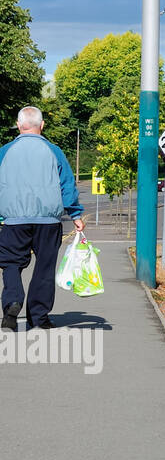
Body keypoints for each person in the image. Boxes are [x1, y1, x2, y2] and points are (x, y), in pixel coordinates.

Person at [0, 106, 84, 331]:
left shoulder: (4, 151)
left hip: (14, 220)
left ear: (18, 125)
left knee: (10, 263)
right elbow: (67, 184)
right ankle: (39, 317)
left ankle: (13, 300)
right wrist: (75, 214)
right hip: (48, 221)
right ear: (42, 125)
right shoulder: (54, 151)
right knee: (45, 267)